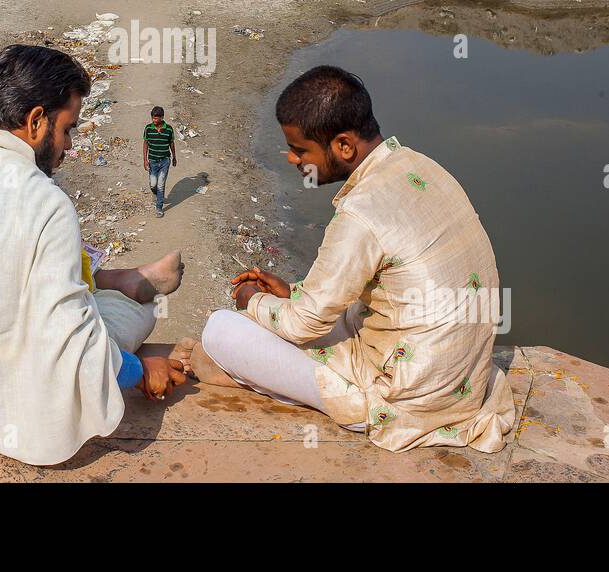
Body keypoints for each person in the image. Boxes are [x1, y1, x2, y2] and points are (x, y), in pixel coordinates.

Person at [173, 66, 516, 453]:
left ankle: (266, 380)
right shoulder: (421, 166)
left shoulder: (360, 213)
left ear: (344, 146)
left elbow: (304, 325)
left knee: (221, 329)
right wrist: (293, 292)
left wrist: (250, 300)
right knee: (318, 311)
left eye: (301, 149)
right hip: (461, 385)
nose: (291, 158)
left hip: (401, 400)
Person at [0, 45, 185, 465]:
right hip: (2, 387)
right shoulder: (43, 200)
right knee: (134, 313)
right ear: (35, 121)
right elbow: (71, 340)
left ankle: (115, 282)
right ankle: (127, 288)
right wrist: (140, 371)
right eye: (67, 130)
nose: (67, 146)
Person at [142, 106, 177, 218]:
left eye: (156, 118)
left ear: (162, 118)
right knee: (153, 184)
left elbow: (171, 143)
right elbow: (145, 143)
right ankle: (156, 195)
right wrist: (145, 160)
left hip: (165, 161)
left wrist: (174, 157)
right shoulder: (148, 128)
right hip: (152, 161)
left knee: (161, 185)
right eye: (153, 118)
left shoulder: (169, 129)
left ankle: (159, 207)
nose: (154, 120)